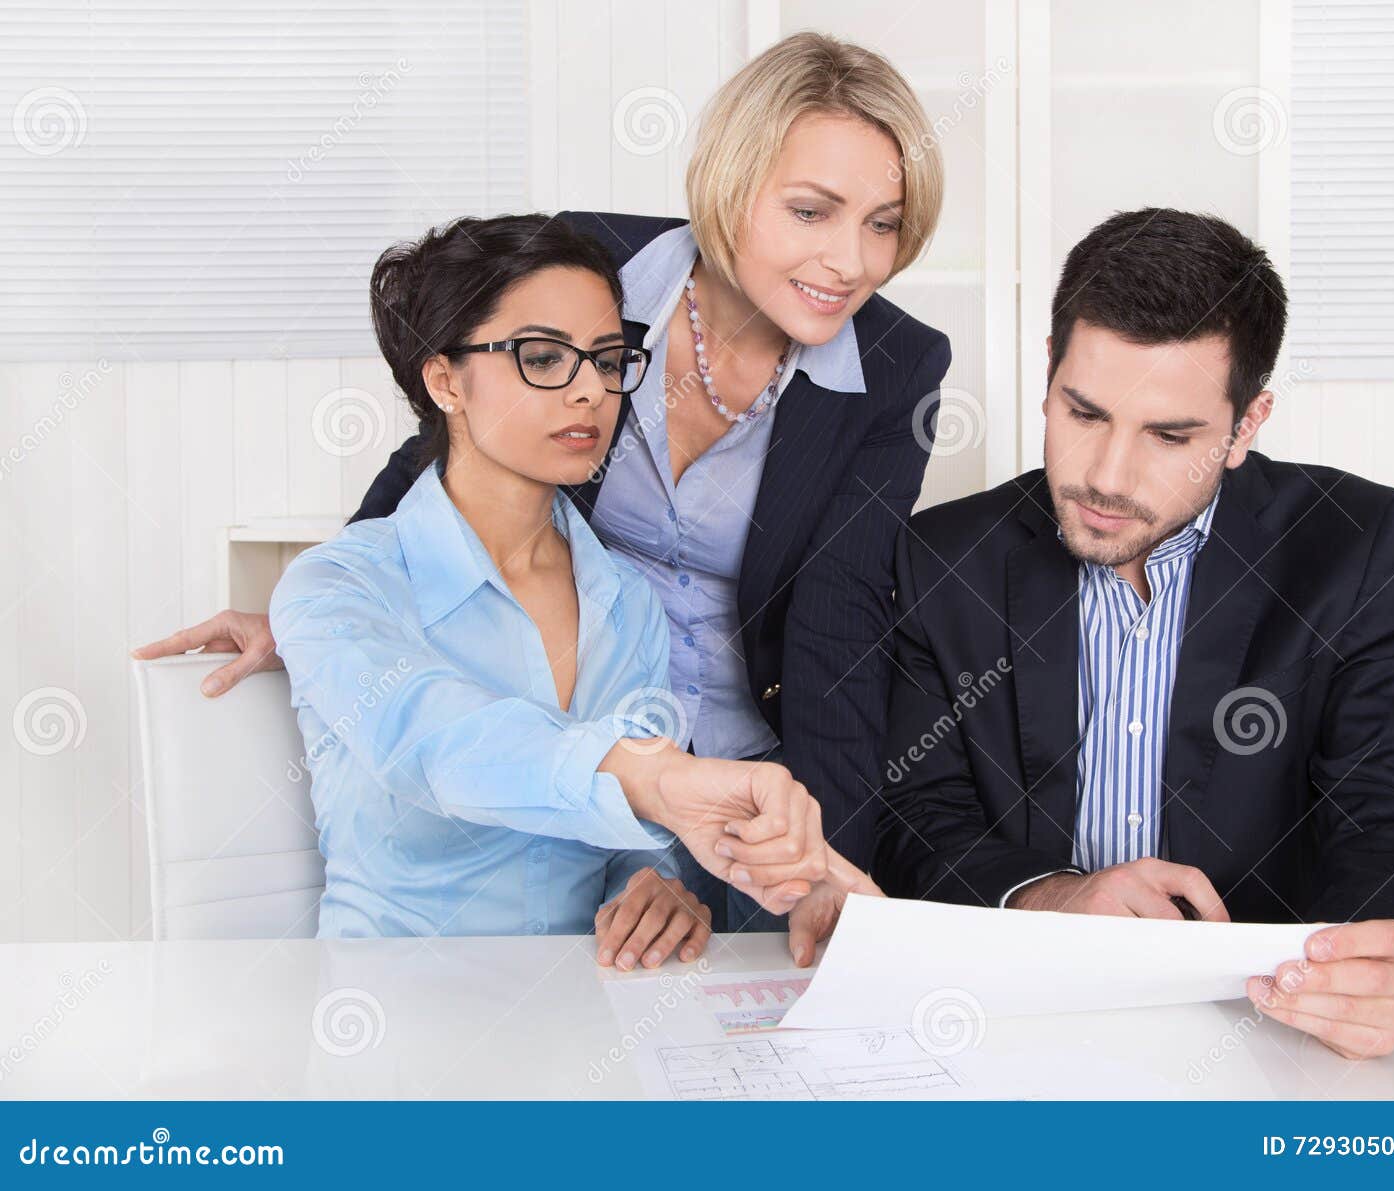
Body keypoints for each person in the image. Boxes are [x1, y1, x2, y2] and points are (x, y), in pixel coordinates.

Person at [133, 32, 947, 962]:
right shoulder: (586, 267)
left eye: (883, 223)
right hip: (537, 815)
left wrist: (812, 865)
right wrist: (337, 604)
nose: (850, 260)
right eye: (812, 210)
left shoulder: (889, 373)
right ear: (733, 183)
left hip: (735, 775)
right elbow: (451, 448)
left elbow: (837, 624)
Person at [874, 208, 1394, 1060]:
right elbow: (913, 813)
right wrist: (1054, 898)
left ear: (1245, 425)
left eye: (1169, 435)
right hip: (1014, 1030)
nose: (1107, 477)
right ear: (1048, 373)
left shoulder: (1352, 543)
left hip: (1270, 1033)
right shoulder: (943, 557)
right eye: (1084, 414)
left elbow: (1393, 805)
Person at [261, 212, 861, 964]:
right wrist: (655, 778)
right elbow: (438, 739)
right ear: (445, 379)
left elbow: (624, 843)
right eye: (543, 357)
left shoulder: (628, 603)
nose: (590, 392)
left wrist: (654, 880)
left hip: (590, 1013)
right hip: (394, 1016)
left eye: (608, 360)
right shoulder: (339, 587)